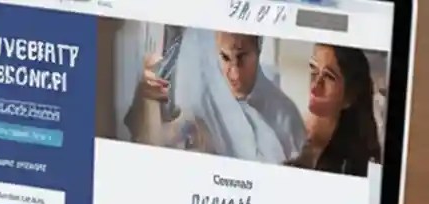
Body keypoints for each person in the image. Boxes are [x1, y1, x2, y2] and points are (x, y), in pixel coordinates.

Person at [124, 29, 306, 163]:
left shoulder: (285, 117)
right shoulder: (191, 62)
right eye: (225, 59)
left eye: (243, 57)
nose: (234, 74)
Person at [289, 44, 383, 176]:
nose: (315, 86)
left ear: (349, 97)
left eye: (329, 77)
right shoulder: (286, 130)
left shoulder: (354, 164)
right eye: (314, 71)